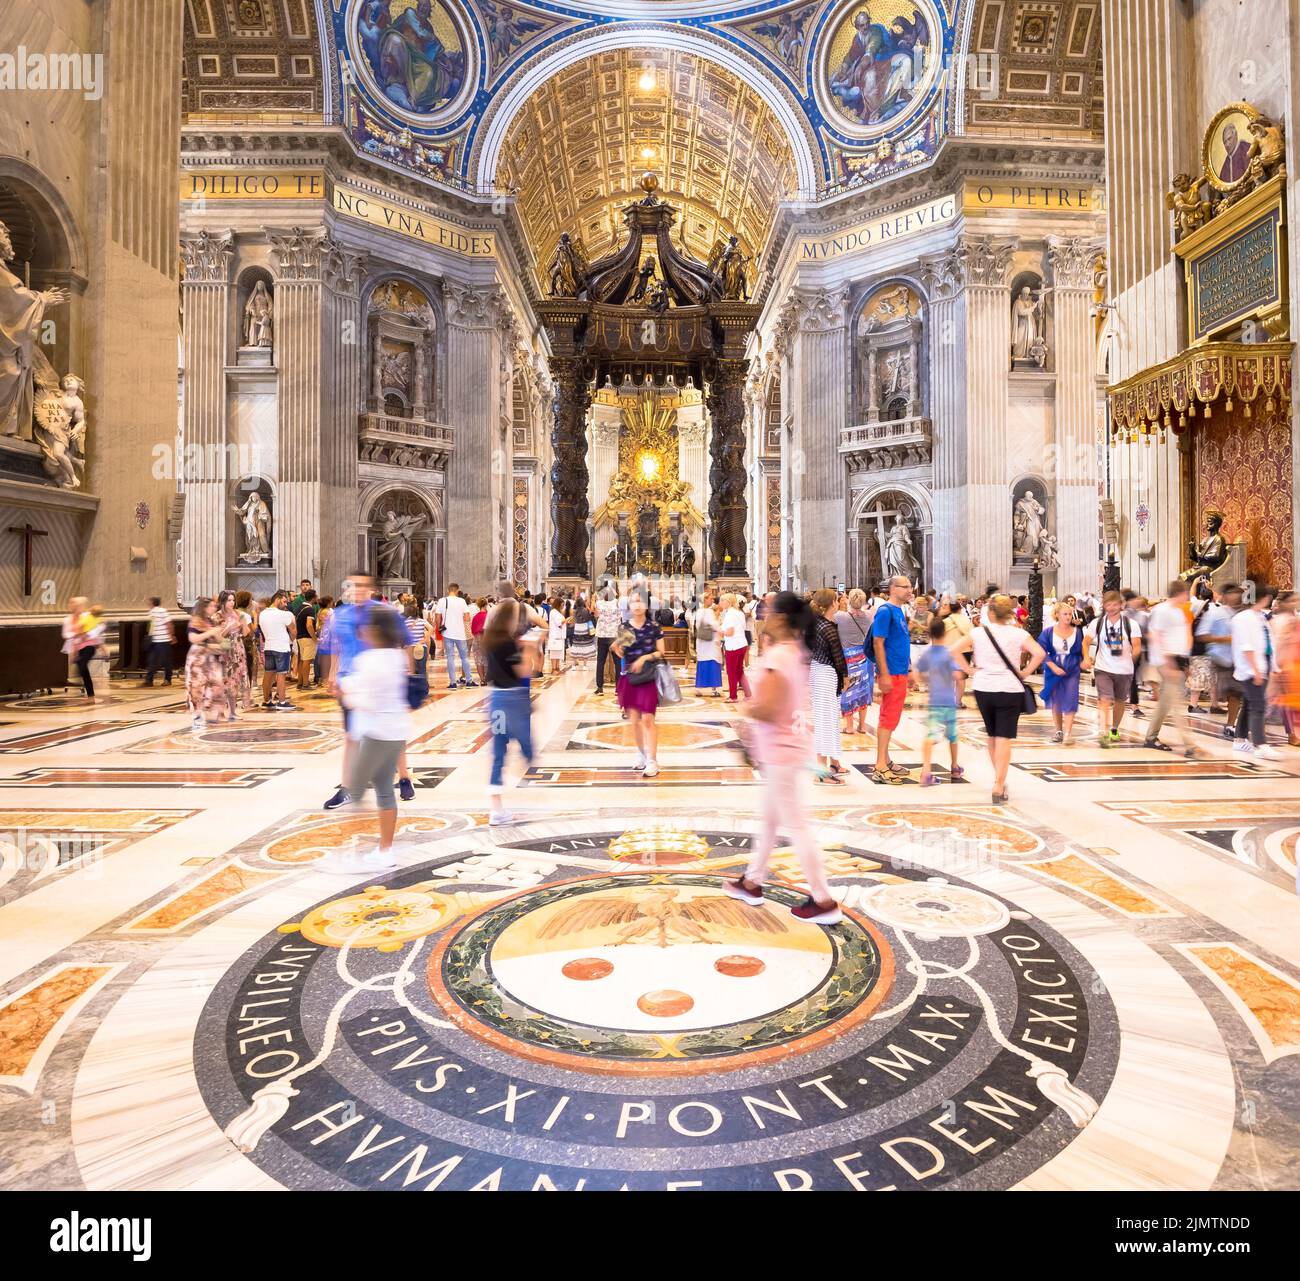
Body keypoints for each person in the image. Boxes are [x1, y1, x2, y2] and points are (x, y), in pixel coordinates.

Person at [722, 591, 842, 925]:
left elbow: (769, 708)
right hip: (785, 748)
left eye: (770, 611)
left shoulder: (778, 656)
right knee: (771, 822)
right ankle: (752, 882)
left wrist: (745, 708)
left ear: (782, 618)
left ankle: (823, 899)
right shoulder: (794, 651)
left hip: (780, 751)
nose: (764, 614)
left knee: (797, 827)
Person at [319, 607, 412, 874]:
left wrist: (345, 694)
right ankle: (385, 849)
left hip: (377, 735)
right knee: (384, 790)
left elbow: (366, 700)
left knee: (356, 790)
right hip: (395, 732)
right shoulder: (396, 657)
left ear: (374, 631)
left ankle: (363, 850)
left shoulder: (369, 660)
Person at [318, 573, 408, 809]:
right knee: (351, 736)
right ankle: (346, 788)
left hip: (379, 678)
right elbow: (336, 648)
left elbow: (402, 641)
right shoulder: (339, 615)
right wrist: (331, 675)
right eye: (352, 585)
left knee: (390, 733)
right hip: (350, 680)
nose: (357, 590)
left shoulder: (383, 612)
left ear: (371, 588)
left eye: (362, 586)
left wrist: (403, 672)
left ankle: (405, 776)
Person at [970, 594, 1045, 804]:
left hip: (983, 687)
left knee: (992, 734)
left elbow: (954, 650)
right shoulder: (1017, 633)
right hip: (1009, 688)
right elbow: (1039, 653)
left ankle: (998, 779)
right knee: (1004, 737)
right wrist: (1025, 672)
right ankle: (999, 784)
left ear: (991, 613)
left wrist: (969, 669)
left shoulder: (978, 632)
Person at [483, 594, 535, 825]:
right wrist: (531, 649)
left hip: (495, 701)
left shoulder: (492, 640)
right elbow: (522, 672)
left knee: (498, 751)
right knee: (527, 745)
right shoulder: (507, 643)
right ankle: (525, 773)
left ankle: (496, 809)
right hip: (513, 701)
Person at [613, 590, 665, 777]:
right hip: (630, 677)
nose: (637, 605)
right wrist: (617, 648)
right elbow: (622, 653)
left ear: (646, 604)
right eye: (633, 602)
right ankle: (641, 754)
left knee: (648, 719)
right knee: (635, 721)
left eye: (640, 601)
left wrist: (644, 658)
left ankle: (653, 759)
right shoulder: (625, 627)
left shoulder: (653, 627)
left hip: (648, 677)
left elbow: (661, 652)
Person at [1144, 581, 1198, 757]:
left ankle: (1151, 737)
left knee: (1168, 701)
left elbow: (1180, 639)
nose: (1188, 596)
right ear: (1180, 593)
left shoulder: (1178, 611)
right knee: (1174, 701)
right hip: (1165, 660)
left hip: (1177, 659)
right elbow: (1156, 636)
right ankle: (1188, 742)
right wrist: (1168, 663)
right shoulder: (1162, 610)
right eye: (1186, 593)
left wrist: (1185, 664)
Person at [1083, 590, 1142, 747]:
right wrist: (1086, 657)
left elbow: (1137, 646)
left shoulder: (1131, 624)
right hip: (1103, 668)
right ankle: (1103, 731)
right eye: (1108, 604)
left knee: (1120, 700)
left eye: (1114, 604)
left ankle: (1114, 728)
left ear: (1121, 605)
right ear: (1104, 605)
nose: (1111, 608)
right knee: (1104, 699)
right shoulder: (1098, 623)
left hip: (1124, 669)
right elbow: (1086, 642)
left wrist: (1132, 658)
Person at [917, 614, 969, 786]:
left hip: (934, 701)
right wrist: (962, 673)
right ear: (945, 633)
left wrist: (927, 680)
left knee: (931, 735)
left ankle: (926, 770)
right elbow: (956, 675)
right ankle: (954, 766)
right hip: (949, 701)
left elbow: (918, 674)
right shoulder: (948, 653)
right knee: (953, 736)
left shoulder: (927, 653)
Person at [871, 575, 913, 784]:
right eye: (905, 587)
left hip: (900, 670)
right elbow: (878, 642)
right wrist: (884, 673)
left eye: (910, 586)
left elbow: (902, 641)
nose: (910, 590)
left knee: (892, 715)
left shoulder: (900, 610)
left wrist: (910, 667)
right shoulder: (885, 611)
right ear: (893, 588)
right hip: (891, 671)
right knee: (888, 716)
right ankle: (879, 765)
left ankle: (885, 759)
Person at [1232, 585, 1280, 759]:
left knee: (1249, 703)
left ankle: (1239, 739)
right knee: (1258, 705)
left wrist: (1273, 666)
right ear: (1263, 598)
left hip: (1262, 663)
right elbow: (1246, 646)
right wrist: (1255, 669)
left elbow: (1268, 643)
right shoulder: (1244, 618)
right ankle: (1260, 745)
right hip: (1251, 667)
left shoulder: (1259, 617)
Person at [809, 587, 849, 780]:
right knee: (826, 720)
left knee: (830, 718)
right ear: (832, 603)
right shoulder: (828, 627)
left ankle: (834, 762)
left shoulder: (818, 623)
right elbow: (838, 657)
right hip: (826, 674)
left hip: (818, 672)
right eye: (836, 599)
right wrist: (846, 677)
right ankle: (820, 769)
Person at [1039, 602, 1085, 744]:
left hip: (1072, 669)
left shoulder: (1077, 632)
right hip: (1053, 669)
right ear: (1057, 615)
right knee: (1056, 700)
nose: (1068, 617)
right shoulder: (1048, 632)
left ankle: (1068, 733)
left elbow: (1081, 650)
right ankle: (1059, 730)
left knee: (1071, 698)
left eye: (1070, 614)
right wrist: (1053, 667)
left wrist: (1084, 661)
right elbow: (1041, 652)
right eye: (1065, 614)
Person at [835, 588, 875, 735]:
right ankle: (862, 726)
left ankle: (850, 726)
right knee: (863, 690)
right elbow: (872, 610)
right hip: (864, 657)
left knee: (848, 689)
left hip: (847, 658)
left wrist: (843, 602)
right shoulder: (869, 616)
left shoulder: (839, 616)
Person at [184, 597, 227, 729]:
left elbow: (219, 640)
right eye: (212, 606)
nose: (214, 608)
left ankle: (212, 713)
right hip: (197, 658)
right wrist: (212, 632)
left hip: (210, 657)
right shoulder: (196, 621)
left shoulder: (210, 621)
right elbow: (194, 638)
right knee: (197, 686)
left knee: (216, 683)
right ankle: (197, 715)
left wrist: (221, 633)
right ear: (204, 608)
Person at [1269, 590, 1300, 747]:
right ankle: (1292, 734)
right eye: (1293, 601)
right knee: (1285, 703)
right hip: (1284, 664)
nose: (1295, 603)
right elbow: (1277, 645)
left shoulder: (1294, 619)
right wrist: (1278, 665)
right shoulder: (1280, 621)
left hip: (1295, 664)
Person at [257, 590, 296, 710]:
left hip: (268, 647)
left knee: (268, 674)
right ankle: (282, 702)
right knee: (281, 674)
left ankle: (266, 700)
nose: (286, 605)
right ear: (277, 600)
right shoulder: (284, 614)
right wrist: (290, 640)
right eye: (284, 602)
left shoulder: (262, 614)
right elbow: (294, 631)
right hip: (282, 648)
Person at [61, 596, 104, 702]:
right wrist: (77, 634)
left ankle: (90, 695)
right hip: (77, 646)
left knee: (82, 664)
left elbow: (99, 626)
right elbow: (65, 634)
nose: (71, 605)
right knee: (82, 669)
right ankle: (90, 696)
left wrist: (89, 636)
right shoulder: (67, 619)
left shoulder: (86, 616)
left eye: (74, 603)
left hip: (89, 646)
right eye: (70, 603)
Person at [217, 589, 251, 718]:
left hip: (237, 649)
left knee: (236, 680)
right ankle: (220, 710)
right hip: (224, 650)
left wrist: (242, 625)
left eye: (233, 600)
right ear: (223, 601)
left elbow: (246, 632)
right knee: (223, 680)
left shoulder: (239, 614)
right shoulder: (218, 616)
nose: (231, 603)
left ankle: (232, 711)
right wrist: (229, 628)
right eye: (229, 600)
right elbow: (217, 635)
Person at [436, 584, 475, 688]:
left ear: (448, 590)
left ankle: (453, 683)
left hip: (447, 633)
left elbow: (437, 616)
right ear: (457, 590)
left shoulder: (442, 601)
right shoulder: (461, 601)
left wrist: (439, 628)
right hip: (460, 633)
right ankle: (469, 681)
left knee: (450, 657)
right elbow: (467, 617)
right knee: (464, 657)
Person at [942, 596, 974, 706]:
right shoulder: (966, 621)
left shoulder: (945, 621)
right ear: (960, 609)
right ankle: (958, 701)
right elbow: (972, 636)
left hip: (948, 651)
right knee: (961, 678)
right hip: (964, 651)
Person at [719, 592, 751, 700]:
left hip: (733, 646)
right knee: (739, 671)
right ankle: (748, 694)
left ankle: (733, 696)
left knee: (731, 672)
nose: (720, 603)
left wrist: (718, 630)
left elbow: (730, 632)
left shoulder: (730, 614)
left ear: (728, 602)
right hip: (742, 644)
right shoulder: (739, 612)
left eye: (722, 600)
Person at [693, 591, 722, 697]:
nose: (712, 600)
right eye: (710, 598)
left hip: (702, 641)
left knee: (702, 664)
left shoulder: (699, 611)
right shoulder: (709, 612)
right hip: (711, 642)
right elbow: (714, 625)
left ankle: (698, 688)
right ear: (705, 599)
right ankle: (714, 689)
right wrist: (719, 625)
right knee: (713, 664)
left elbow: (696, 626)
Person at [594, 585, 621, 696]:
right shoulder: (617, 603)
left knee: (601, 662)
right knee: (617, 663)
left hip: (602, 635)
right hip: (614, 636)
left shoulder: (599, 603)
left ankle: (600, 688)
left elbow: (596, 615)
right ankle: (618, 689)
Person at [142, 596, 174, 687]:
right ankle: (149, 680)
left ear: (152, 602)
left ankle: (168, 679)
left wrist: (171, 636)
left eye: (149, 602)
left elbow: (169, 624)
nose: (148, 603)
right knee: (152, 660)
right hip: (154, 641)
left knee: (165, 661)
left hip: (163, 640)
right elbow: (151, 626)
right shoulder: (151, 612)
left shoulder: (162, 611)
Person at [404, 599, 430, 707]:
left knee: (412, 669)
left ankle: (414, 690)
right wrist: (425, 639)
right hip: (421, 647)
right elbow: (431, 628)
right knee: (422, 668)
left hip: (410, 648)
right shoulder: (422, 621)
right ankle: (424, 691)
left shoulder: (405, 622)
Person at [293, 589, 319, 690]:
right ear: (314, 597)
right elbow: (309, 625)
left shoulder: (299, 608)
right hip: (307, 638)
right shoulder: (310, 609)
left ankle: (300, 683)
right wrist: (315, 638)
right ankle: (305, 684)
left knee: (301, 660)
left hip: (299, 637)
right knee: (307, 661)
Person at [469, 596, 490, 684]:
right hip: (487, 639)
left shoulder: (475, 617)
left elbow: (473, 630)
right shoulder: (489, 616)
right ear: (486, 605)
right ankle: (487, 677)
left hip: (477, 640)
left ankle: (482, 680)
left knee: (479, 660)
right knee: (487, 659)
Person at [545, 594, 567, 673]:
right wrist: (566, 620)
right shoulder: (554, 612)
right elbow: (558, 623)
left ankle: (557, 667)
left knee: (558, 653)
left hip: (559, 635)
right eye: (562, 604)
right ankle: (554, 668)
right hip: (555, 635)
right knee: (554, 653)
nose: (563, 606)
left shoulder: (558, 612)